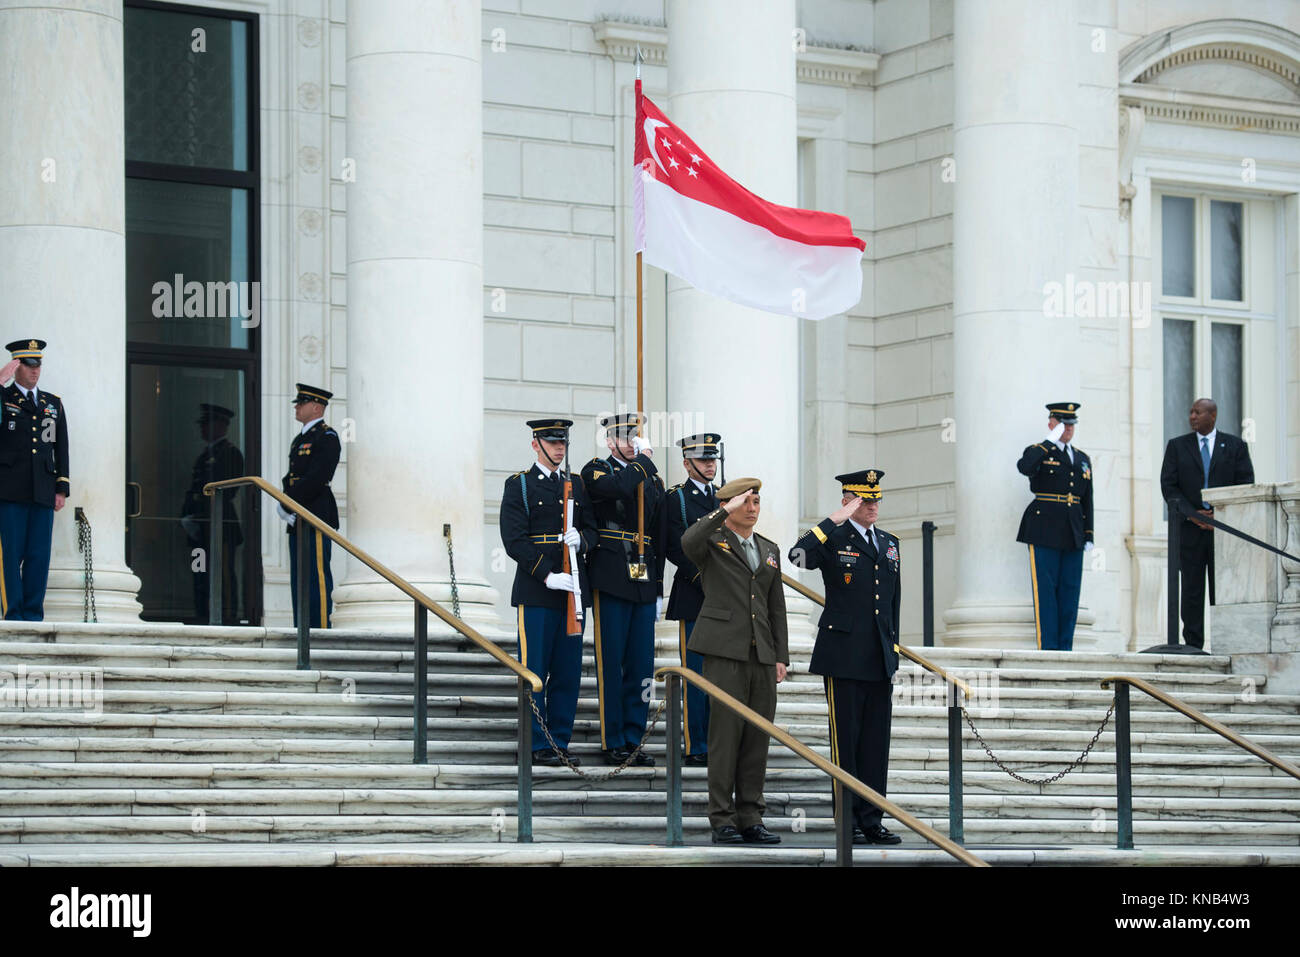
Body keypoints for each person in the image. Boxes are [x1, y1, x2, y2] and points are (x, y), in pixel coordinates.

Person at [790, 469, 901, 845]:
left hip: (878, 655)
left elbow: (892, 601)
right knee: (847, 742)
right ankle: (847, 818)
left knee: (875, 743)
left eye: (875, 500)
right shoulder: (833, 536)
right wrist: (831, 521)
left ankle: (873, 818)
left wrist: (894, 647)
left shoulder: (889, 543)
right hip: (842, 653)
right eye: (863, 500)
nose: (872, 506)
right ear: (847, 502)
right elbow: (798, 556)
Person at [682, 477, 789, 846]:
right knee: (725, 738)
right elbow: (688, 541)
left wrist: (780, 656)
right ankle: (721, 819)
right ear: (728, 506)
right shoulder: (712, 542)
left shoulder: (769, 548)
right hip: (724, 652)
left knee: (756, 739)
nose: (753, 507)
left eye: (757, 500)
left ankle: (751, 816)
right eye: (746, 501)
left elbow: (777, 607)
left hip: (761, 654)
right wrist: (722, 510)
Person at [499, 418, 597, 766]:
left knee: (568, 672)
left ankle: (559, 742)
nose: (559, 448)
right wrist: (547, 575)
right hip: (538, 592)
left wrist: (582, 541)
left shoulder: (577, 485)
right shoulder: (520, 486)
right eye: (552, 442)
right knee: (535, 670)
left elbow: (593, 530)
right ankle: (536, 743)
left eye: (563, 443)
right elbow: (514, 541)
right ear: (535, 444)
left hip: (573, 593)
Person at [581, 412, 666, 766]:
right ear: (609, 440)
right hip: (611, 574)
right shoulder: (597, 470)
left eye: (635, 435)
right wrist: (644, 463)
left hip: (643, 578)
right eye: (624, 436)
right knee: (611, 661)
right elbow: (614, 490)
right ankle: (611, 738)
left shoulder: (651, 478)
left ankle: (633, 737)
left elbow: (659, 534)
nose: (631, 441)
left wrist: (660, 585)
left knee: (641, 665)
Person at [1159, 397, 1255, 649]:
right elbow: (1169, 486)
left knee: (1222, 590)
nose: (1192, 416)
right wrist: (1193, 514)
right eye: (1190, 412)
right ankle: (1193, 646)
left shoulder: (1235, 447)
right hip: (1189, 531)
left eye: (1198, 412)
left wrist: (1221, 516)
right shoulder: (1177, 446)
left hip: (1222, 533)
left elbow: (1245, 485)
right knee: (1191, 590)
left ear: (1212, 416)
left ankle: (1226, 645)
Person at [663, 431, 723, 767]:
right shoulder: (677, 499)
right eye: (703, 460)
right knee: (697, 675)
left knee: (722, 678)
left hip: (724, 601)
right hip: (695, 594)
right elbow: (675, 545)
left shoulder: (725, 499)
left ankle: (718, 743)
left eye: (712, 459)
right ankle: (696, 744)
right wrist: (705, 578)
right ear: (687, 463)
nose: (709, 465)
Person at [1015, 402, 1094, 651]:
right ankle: (1048, 648)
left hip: (1073, 531)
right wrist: (1050, 441)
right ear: (1051, 424)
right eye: (1062, 424)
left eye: (1071, 425)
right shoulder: (1040, 451)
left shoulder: (1082, 459)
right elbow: (1024, 467)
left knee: (1070, 592)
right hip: (1044, 528)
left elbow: (1087, 500)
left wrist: (1089, 533)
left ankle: (1065, 649)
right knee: (1046, 593)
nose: (1067, 429)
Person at [0, 339, 68, 621]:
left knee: (38, 556)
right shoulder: (4, 400)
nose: (34, 371)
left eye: (37, 365)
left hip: (42, 488)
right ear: (16, 367)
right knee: (10, 554)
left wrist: (62, 487)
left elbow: (60, 446)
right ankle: (13, 613)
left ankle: (32, 614)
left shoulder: (53, 404)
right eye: (28, 365)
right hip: (10, 489)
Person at [279, 383, 340, 628]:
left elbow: (317, 476)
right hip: (298, 514)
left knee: (316, 577)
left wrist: (289, 502)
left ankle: (319, 629)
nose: (297, 406)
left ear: (316, 407)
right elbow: (291, 476)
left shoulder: (327, 436)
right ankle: (302, 629)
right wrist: (284, 503)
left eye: (301, 403)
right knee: (300, 578)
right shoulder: (300, 439)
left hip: (315, 512)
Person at [180, 403, 244, 622]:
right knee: (201, 571)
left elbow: (228, 492)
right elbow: (194, 490)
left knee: (222, 573)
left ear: (221, 426)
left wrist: (199, 514)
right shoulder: (204, 455)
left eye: (207, 424)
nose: (203, 429)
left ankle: (226, 616)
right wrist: (188, 516)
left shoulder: (229, 453)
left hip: (221, 525)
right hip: (201, 526)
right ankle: (203, 613)